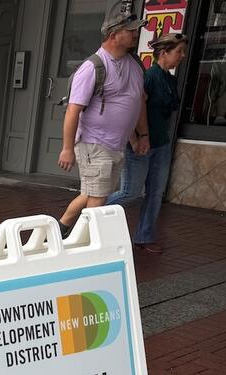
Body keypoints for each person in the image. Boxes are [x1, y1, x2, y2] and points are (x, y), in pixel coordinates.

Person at [56, 6, 148, 237]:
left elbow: (135, 104)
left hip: (116, 145)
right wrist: (67, 148)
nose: (136, 35)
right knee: (97, 199)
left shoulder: (135, 65)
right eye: (131, 31)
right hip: (93, 143)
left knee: (92, 193)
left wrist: (140, 137)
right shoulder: (92, 68)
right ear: (113, 34)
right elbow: (73, 111)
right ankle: (83, 245)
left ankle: (60, 230)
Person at [104, 33, 188, 254]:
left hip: (161, 145)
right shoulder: (148, 76)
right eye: (178, 51)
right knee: (129, 192)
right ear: (163, 53)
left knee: (155, 192)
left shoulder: (170, 78)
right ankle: (92, 213)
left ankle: (145, 236)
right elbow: (133, 109)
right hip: (141, 143)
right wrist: (137, 138)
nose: (182, 56)